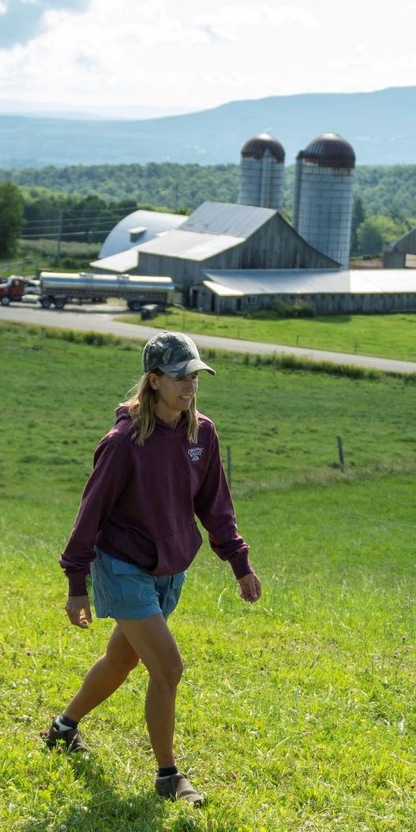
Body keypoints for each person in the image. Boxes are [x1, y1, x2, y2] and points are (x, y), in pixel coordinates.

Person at [44, 331, 262, 806]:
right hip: (123, 568)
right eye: (181, 377)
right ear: (155, 379)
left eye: (196, 377)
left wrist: (239, 563)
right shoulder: (123, 443)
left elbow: (215, 505)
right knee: (168, 668)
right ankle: (168, 776)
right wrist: (76, 584)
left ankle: (62, 728)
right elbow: (91, 513)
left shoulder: (201, 433)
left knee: (122, 660)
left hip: (170, 570)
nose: (191, 387)